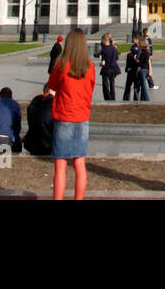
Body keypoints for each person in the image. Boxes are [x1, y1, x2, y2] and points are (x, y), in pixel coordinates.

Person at [47, 27, 96, 200]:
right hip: (82, 117)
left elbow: (51, 86)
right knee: (80, 163)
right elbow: (90, 89)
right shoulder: (89, 67)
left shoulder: (61, 64)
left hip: (64, 116)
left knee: (60, 164)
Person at [25, 83, 55, 156]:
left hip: (31, 144)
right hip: (48, 145)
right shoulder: (55, 104)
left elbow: (31, 123)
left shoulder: (34, 103)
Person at [97, 32, 120, 101]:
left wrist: (101, 64)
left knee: (105, 85)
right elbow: (116, 58)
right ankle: (113, 98)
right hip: (113, 68)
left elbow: (103, 62)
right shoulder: (114, 48)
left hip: (106, 69)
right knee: (112, 84)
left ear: (104, 41)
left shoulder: (104, 50)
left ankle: (107, 98)